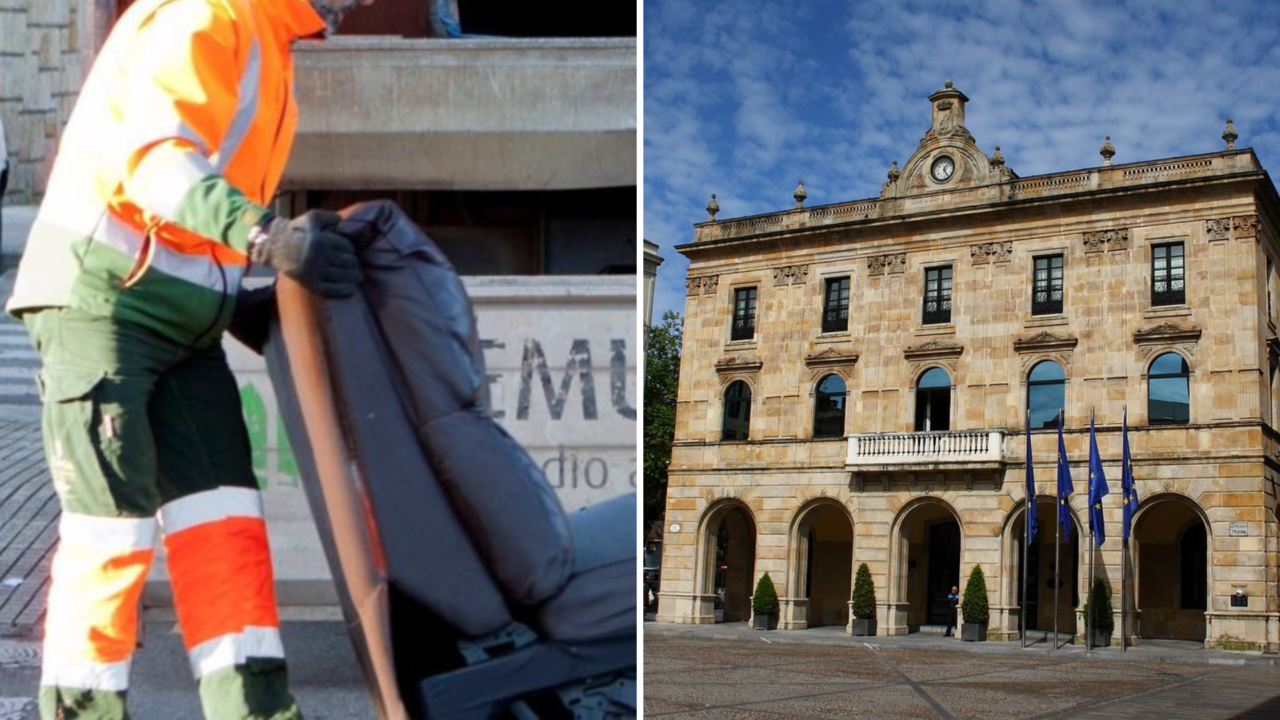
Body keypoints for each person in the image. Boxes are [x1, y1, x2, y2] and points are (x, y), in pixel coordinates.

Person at [6, 1, 374, 717]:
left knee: (225, 522)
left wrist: (235, 299)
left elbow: (187, 213)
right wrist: (267, 238)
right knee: (111, 531)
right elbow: (156, 163)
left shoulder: (266, 37)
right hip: (102, 303)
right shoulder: (208, 12)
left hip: (179, 324)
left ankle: (256, 710)